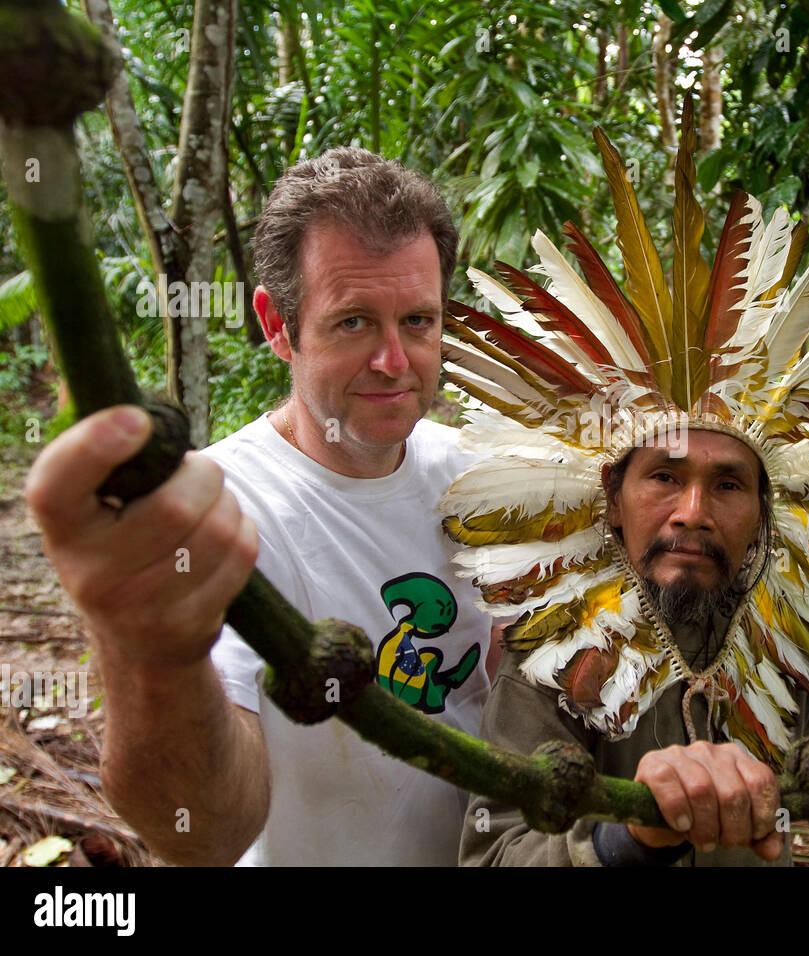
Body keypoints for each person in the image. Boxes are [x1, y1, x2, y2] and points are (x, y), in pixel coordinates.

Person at [441, 111, 809, 866]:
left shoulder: (783, 644)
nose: (693, 514)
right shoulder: (556, 657)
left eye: (729, 485)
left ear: (768, 512)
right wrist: (629, 839)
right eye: (664, 478)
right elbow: (495, 851)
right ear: (610, 498)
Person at [25, 148, 491, 865]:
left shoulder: (482, 481)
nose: (395, 362)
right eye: (354, 322)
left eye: (419, 322)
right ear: (277, 325)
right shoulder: (219, 512)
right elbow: (202, 828)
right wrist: (150, 653)